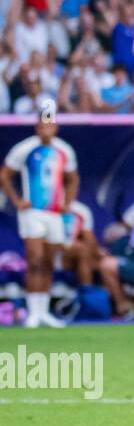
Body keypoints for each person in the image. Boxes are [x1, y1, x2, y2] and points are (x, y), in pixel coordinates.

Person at [2, 113, 79, 328]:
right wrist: (17, 201)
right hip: (32, 212)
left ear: (55, 127)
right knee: (34, 259)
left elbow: (73, 178)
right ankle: (32, 312)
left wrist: (68, 202)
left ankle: (44, 311)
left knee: (47, 261)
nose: (46, 129)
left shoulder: (64, 150)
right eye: (42, 125)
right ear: (37, 127)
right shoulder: (24, 148)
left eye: (50, 125)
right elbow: (5, 175)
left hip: (54, 214)